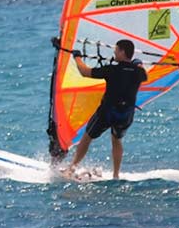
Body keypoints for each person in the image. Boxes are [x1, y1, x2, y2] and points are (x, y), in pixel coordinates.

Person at [56, 38, 147, 180]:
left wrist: (77, 57)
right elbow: (142, 72)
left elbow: (85, 72)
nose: (114, 52)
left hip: (107, 113)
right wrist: (139, 64)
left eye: (116, 50)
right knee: (116, 140)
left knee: (86, 138)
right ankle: (116, 175)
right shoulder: (139, 73)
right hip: (125, 115)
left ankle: (71, 168)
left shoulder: (112, 69)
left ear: (122, 52)